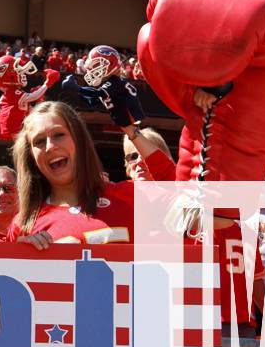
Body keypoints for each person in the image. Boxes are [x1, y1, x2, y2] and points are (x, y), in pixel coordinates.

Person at [10, 101, 173, 246]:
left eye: (59, 135)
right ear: (31, 157)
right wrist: (23, 256)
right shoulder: (23, 224)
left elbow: (177, 186)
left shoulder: (132, 195)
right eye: (39, 141)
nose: (50, 146)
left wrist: (132, 131)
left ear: (79, 141)